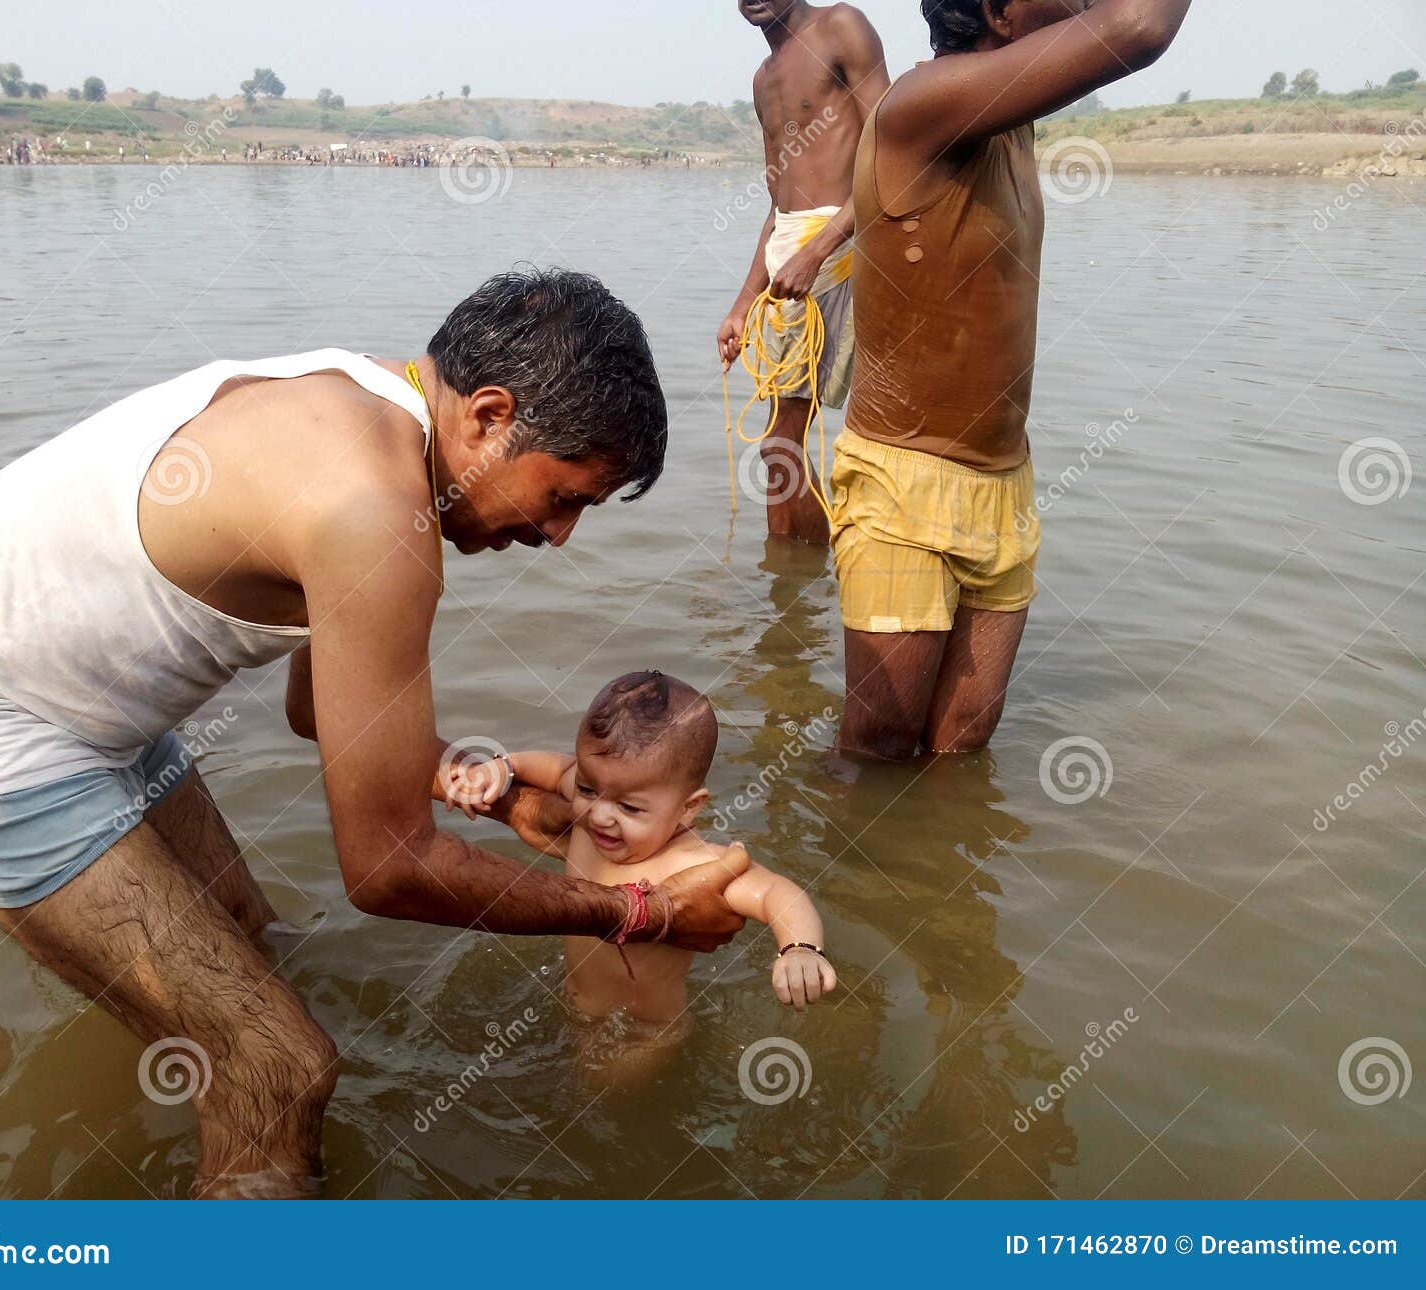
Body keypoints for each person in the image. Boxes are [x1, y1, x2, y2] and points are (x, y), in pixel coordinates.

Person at [0, 269, 753, 1198]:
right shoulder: (373, 516)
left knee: (244, 933)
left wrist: (510, 797)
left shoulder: (367, 399)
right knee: (275, 1067)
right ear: (489, 415)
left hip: (52, 686)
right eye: (562, 496)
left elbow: (316, 712)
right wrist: (648, 913)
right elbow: (388, 869)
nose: (559, 535)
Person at [835, 0, 1192, 759]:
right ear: (997, 11)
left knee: (964, 746)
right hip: (905, 480)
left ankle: (945, 879)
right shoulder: (923, 104)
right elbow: (1137, 27)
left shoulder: (1010, 119)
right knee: (877, 748)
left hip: (1004, 484)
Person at [445, 671, 835, 1040]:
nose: (599, 814)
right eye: (586, 788)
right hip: (574, 1004)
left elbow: (777, 893)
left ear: (688, 808)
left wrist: (799, 948)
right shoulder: (596, 800)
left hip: (642, 1032)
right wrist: (502, 767)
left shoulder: (694, 864)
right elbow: (555, 767)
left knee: (596, 1097)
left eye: (630, 809)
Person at [717, 0, 888, 542]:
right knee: (779, 446)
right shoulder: (763, 77)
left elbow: (892, 155)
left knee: (779, 444)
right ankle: (797, 585)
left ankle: (794, 584)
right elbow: (779, 204)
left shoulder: (841, 27)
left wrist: (819, 251)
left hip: (839, 252)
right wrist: (744, 303)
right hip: (789, 262)